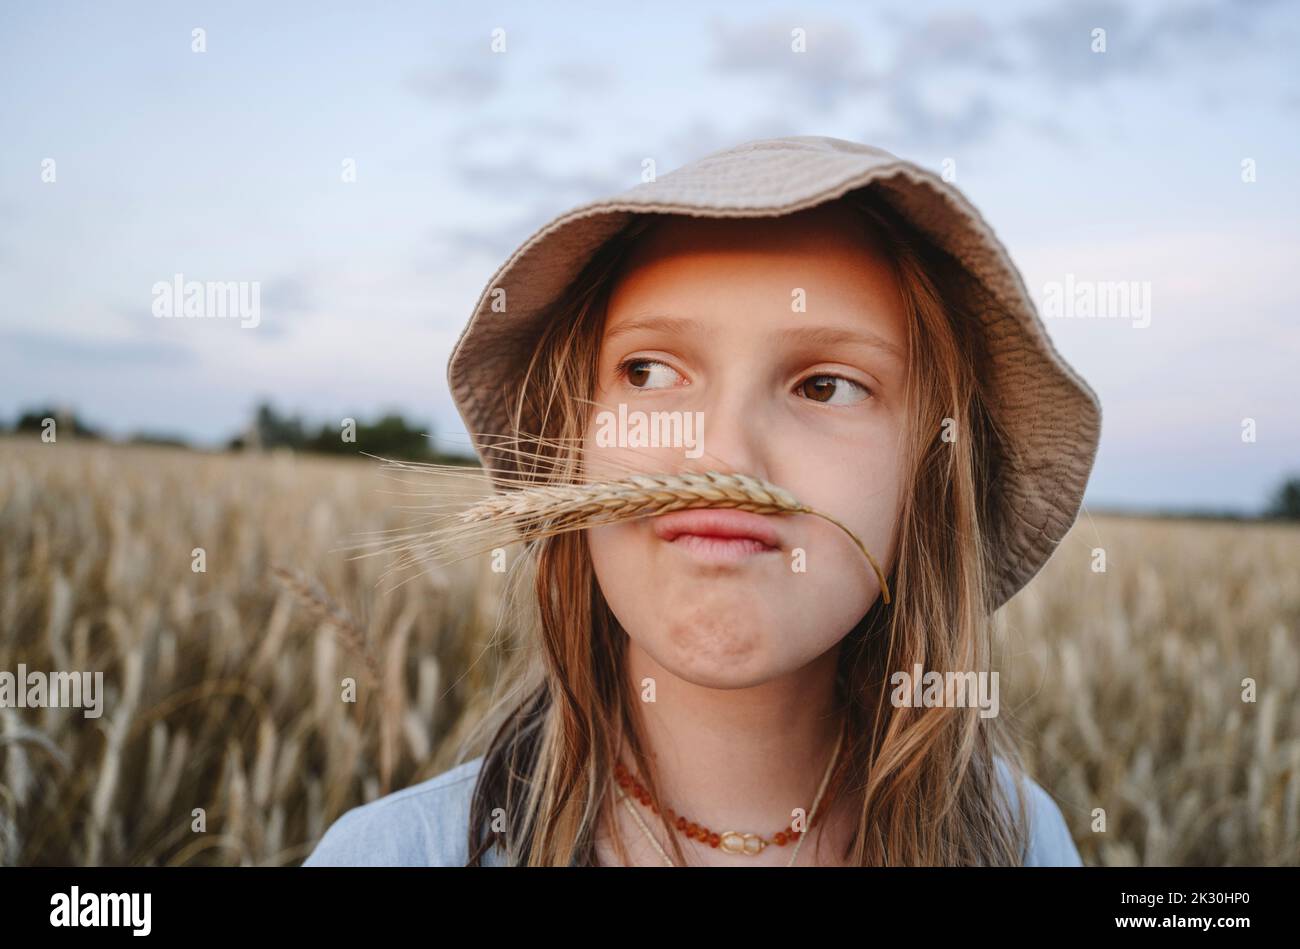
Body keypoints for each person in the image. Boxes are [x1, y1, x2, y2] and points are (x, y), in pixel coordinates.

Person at [304, 135, 1100, 867]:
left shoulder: (1020, 843)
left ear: (934, 476)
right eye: (648, 372)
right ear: (571, 444)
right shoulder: (393, 855)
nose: (722, 454)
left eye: (826, 385)